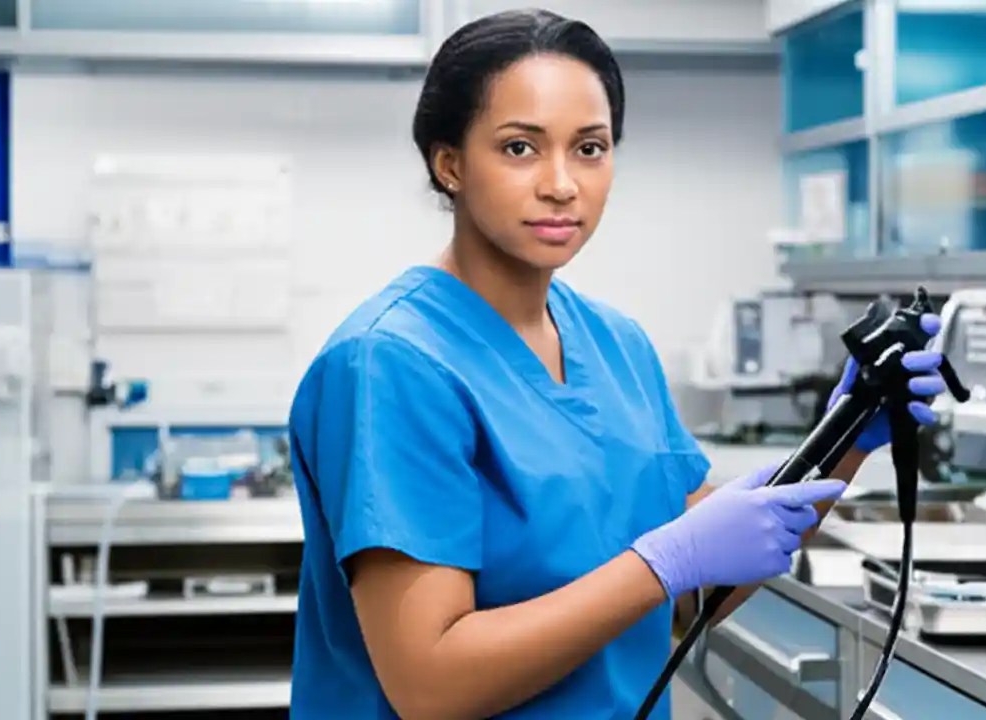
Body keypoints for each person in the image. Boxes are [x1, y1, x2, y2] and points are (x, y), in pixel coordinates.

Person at [286, 9, 948, 720]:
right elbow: (432, 685)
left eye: (591, 148)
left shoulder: (616, 345)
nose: (562, 184)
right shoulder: (391, 364)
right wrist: (664, 560)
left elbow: (690, 600)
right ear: (448, 163)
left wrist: (844, 438)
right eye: (519, 148)